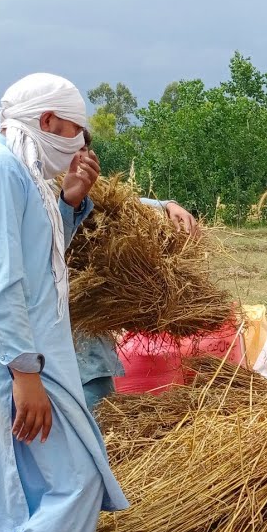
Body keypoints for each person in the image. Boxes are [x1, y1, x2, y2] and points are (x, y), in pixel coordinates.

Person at [0, 73, 129, 532]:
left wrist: (68, 200)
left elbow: (33, 260)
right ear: (45, 120)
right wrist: (25, 374)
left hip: (12, 359)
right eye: (75, 133)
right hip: (9, 363)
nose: (79, 147)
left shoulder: (15, 175)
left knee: (13, 501)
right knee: (76, 482)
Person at [73, 129, 199, 412]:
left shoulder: (92, 206)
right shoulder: (43, 203)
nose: (79, 158)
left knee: (100, 441)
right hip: (51, 367)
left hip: (91, 364)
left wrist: (167, 205)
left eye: (83, 150)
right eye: (70, 149)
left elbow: (120, 204)